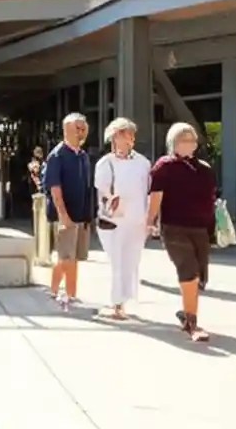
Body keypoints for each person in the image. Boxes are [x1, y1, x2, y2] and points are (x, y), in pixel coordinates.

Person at [147, 122, 217, 342]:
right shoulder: (164, 166)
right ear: (173, 143)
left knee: (200, 277)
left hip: (201, 227)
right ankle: (191, 322)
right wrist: (151, 221)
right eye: (183, 139)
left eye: (191, 140)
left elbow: (211, 199)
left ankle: (187, 312)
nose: (189, 143)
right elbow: (156, 195)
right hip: (174, 226)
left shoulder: (204, 168)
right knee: (189, 270)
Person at [94, 118, 151, 320]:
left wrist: (151, 219)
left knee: (131, 261)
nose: (130, 138)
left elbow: (149, 191)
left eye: (131, 135)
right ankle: (116, 303)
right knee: (117, 261)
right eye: (126, 134)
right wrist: (112, 199)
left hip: (137, 220)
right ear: (115, 137)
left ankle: (123, 301)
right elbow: (102, 190)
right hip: (114, 221)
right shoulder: (105, 163)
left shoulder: (143, 163)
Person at [44, 113, 92, 310]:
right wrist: (63, 215)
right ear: (66, 130)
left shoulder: (83, 156)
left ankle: (57, 290)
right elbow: (54, 188)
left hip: (82, 215)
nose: (81, 133)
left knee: (73, 257)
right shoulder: (57, 156)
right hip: (65, 215)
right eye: (77, 129)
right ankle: (67, 293)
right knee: (66, 256)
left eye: (83, 129)